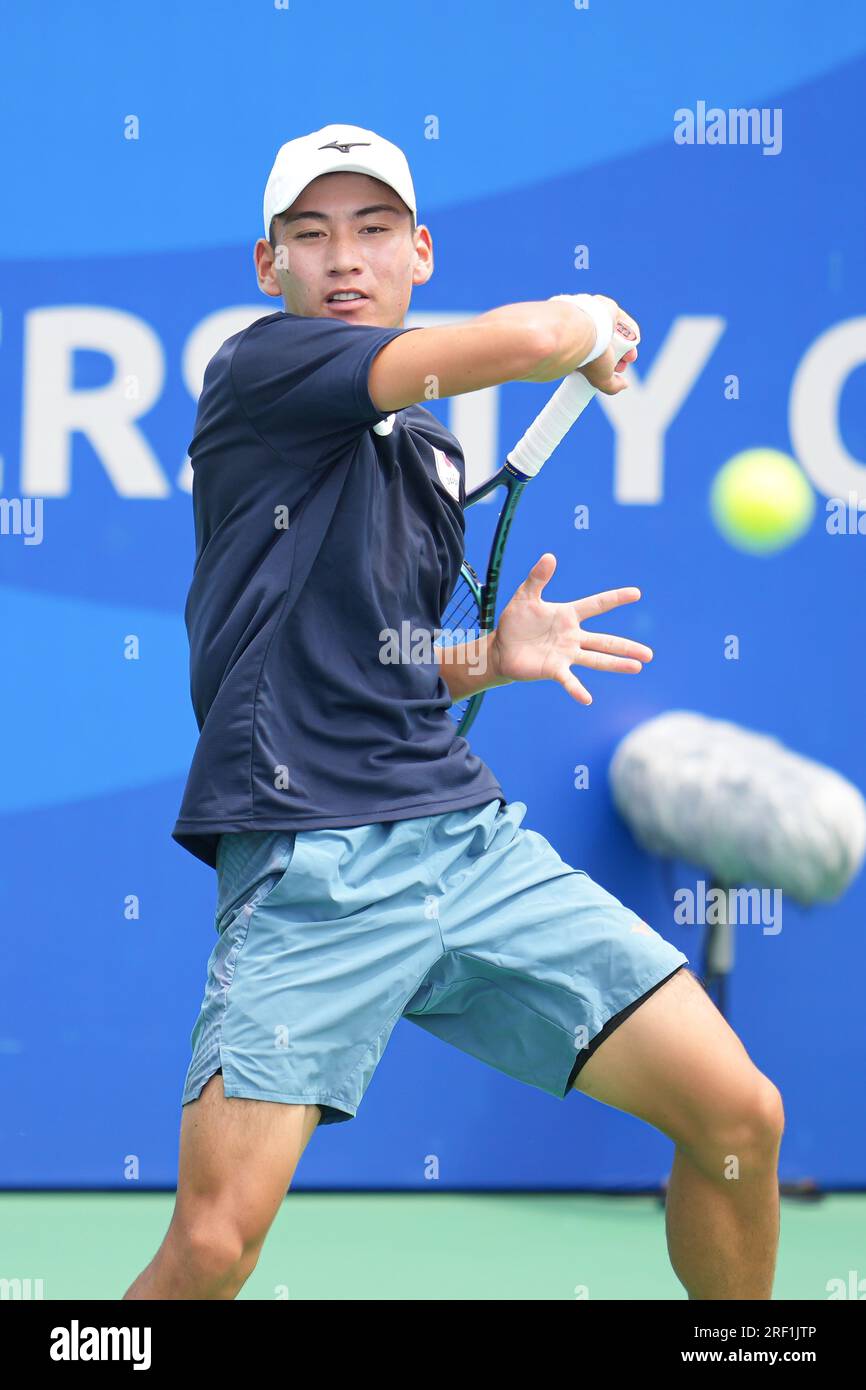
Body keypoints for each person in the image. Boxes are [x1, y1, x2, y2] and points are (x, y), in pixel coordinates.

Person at [124, 125, 783, 1300]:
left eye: (373, 229)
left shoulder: (426, 450)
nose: (344, 257)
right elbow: (525, 341)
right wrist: (584, 323)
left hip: (466, 844)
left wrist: (488, 656)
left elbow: (368, 666)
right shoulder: (262, 368)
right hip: (310, 869)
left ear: (417, 251)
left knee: (738, 1115)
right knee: (214, 1243)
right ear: (267, 264)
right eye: (311, 234)